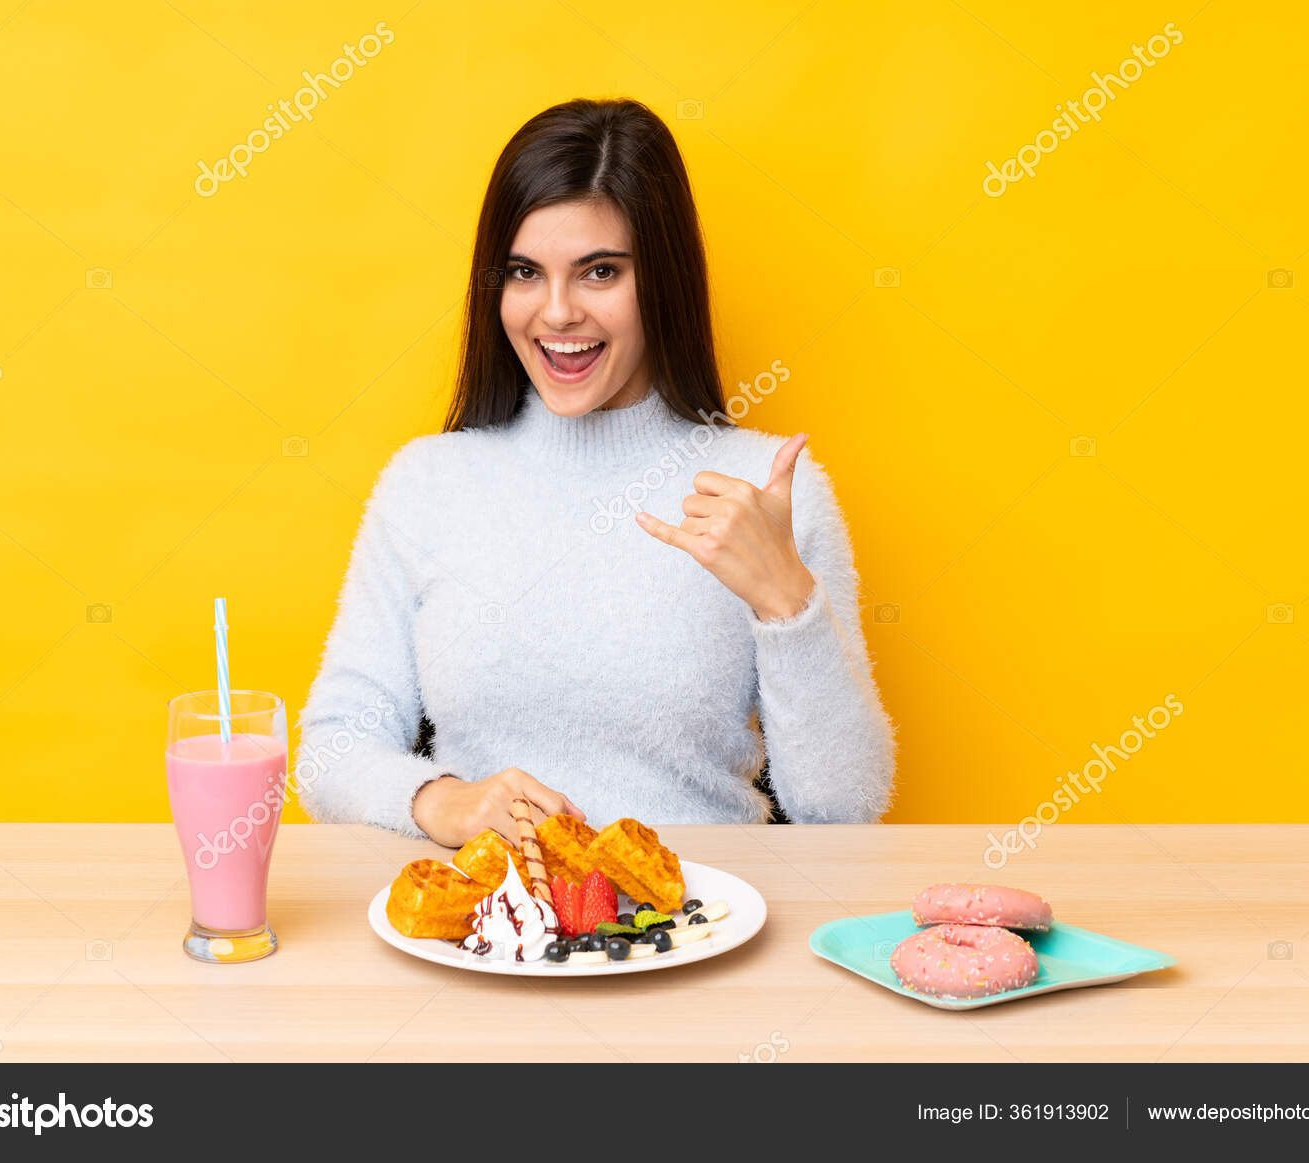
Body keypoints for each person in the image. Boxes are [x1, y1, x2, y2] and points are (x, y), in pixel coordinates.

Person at [297, 98, 895, 847]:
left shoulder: (768, 491)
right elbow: (332, 745)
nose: (556, 313)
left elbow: (845, 807)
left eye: (599, 272)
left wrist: (787, 601)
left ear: (663, 281)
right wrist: (441, 801)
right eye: (524, 272)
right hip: (493, 934)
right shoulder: (427, 484)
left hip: (703, 923)